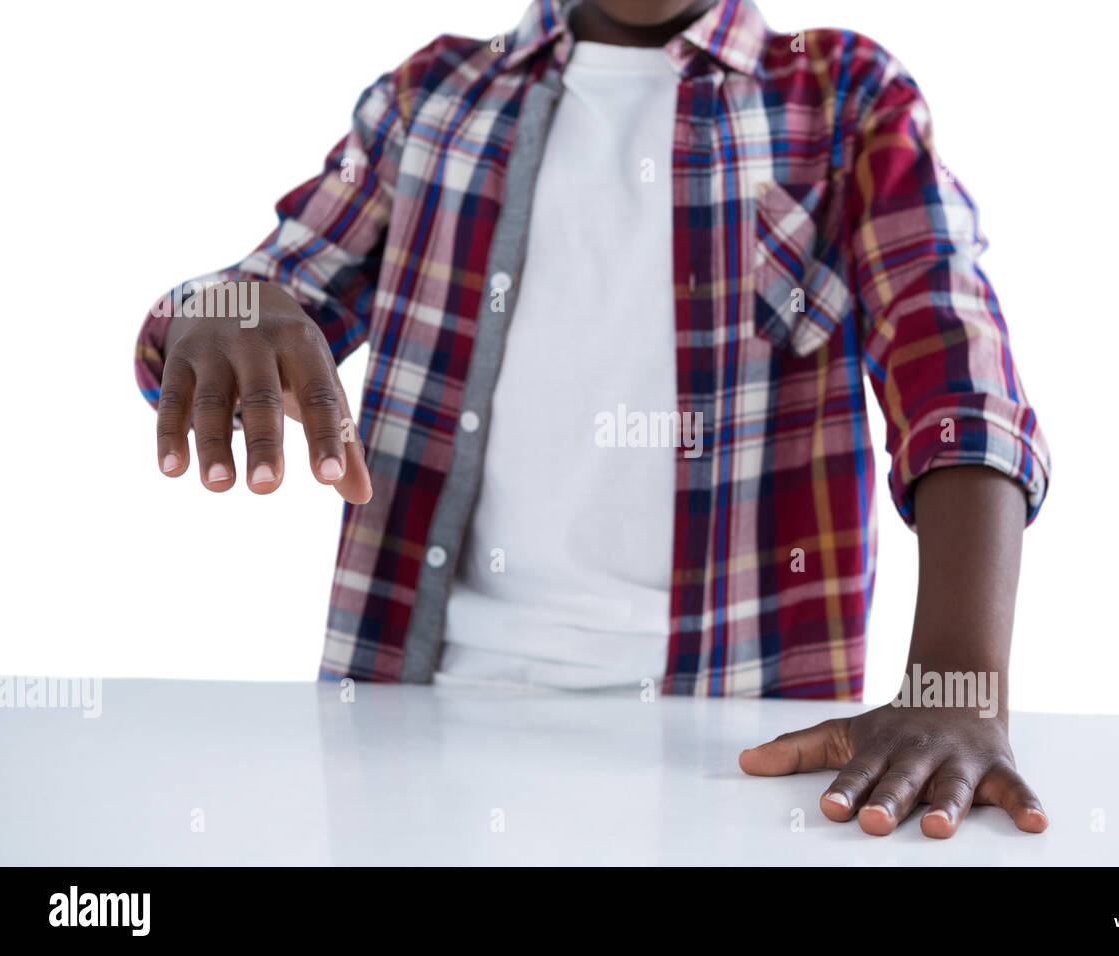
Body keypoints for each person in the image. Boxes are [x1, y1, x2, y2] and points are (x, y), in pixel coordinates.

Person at [134, 0, 1051, 839]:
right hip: (412, 727)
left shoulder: (846, 95)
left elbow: (957, 379)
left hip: (743, 750)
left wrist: (956, 685)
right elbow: (268, 293)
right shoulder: (431, 98)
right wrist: (225, 310)